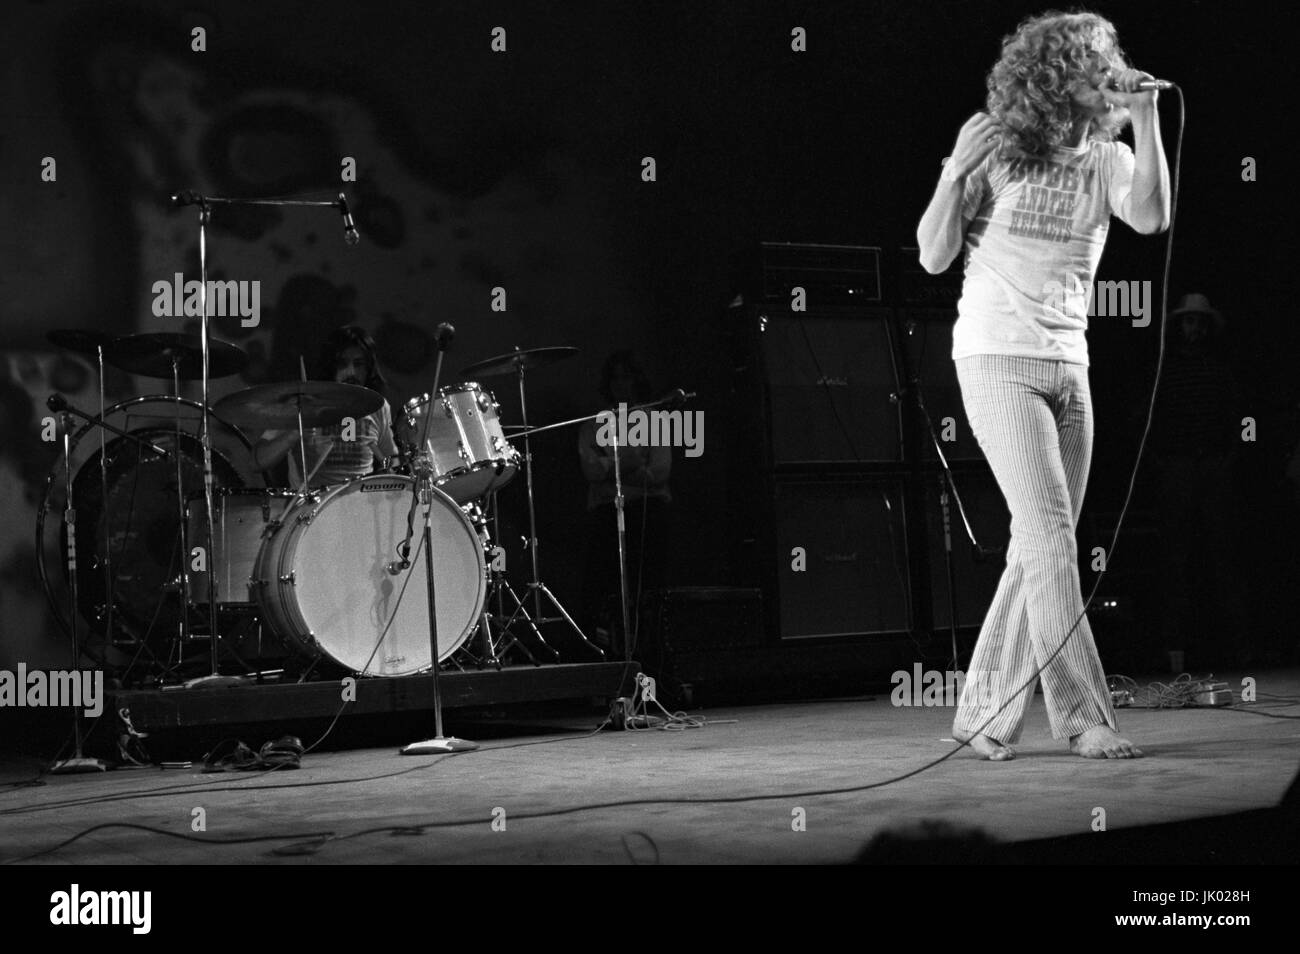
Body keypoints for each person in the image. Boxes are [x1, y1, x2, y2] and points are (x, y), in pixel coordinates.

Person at [916, 11, 1170, 760]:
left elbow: (1152, 219)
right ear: (1057, 76)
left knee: (1040, 547)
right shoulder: (995, 144)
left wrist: (1147, 121)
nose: (1113, 72)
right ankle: (1084, 716)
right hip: (996, 360)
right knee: (1054, 539)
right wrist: (954, 170)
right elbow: (933, 257)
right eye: (1099, 62)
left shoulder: (1109, 159)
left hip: (1070, 366)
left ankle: (983, 718)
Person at [1148, 293, 1246, 666]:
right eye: (1189, 322)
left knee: (1222, 552)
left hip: (1211, 467)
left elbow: (1239, 417)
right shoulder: (1168, 369)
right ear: (1180, 326)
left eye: (1200, 323)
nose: (1194, 329)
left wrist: (1230, 458)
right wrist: (1162, 462)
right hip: (1179, 468)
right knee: (1177, 556)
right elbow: (1152, 419)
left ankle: (1238, 647)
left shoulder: (1219, 369)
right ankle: (1176, 650)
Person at [577, 350, 672, 651]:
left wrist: (611, 465)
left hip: (647, 511)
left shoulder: (654, 420)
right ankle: (609, 650)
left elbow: (659, 472)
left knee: (649, 587)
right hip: (607, 513)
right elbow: (591, 471)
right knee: (604, 588)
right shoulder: (592, 424)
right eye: (615, 378)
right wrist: (630, 461)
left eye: (626, 377)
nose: (621, 384)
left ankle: (652, 648)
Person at [252, 325, 399, 488]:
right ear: (331, 366)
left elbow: (391, 461)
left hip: (360, 508)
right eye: (343, 363)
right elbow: (257, 461)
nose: (351, 372)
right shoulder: (304, 404)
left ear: (369, 369)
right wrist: (294, 433)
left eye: (359, 364)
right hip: (312, 507)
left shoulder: (378, 406)